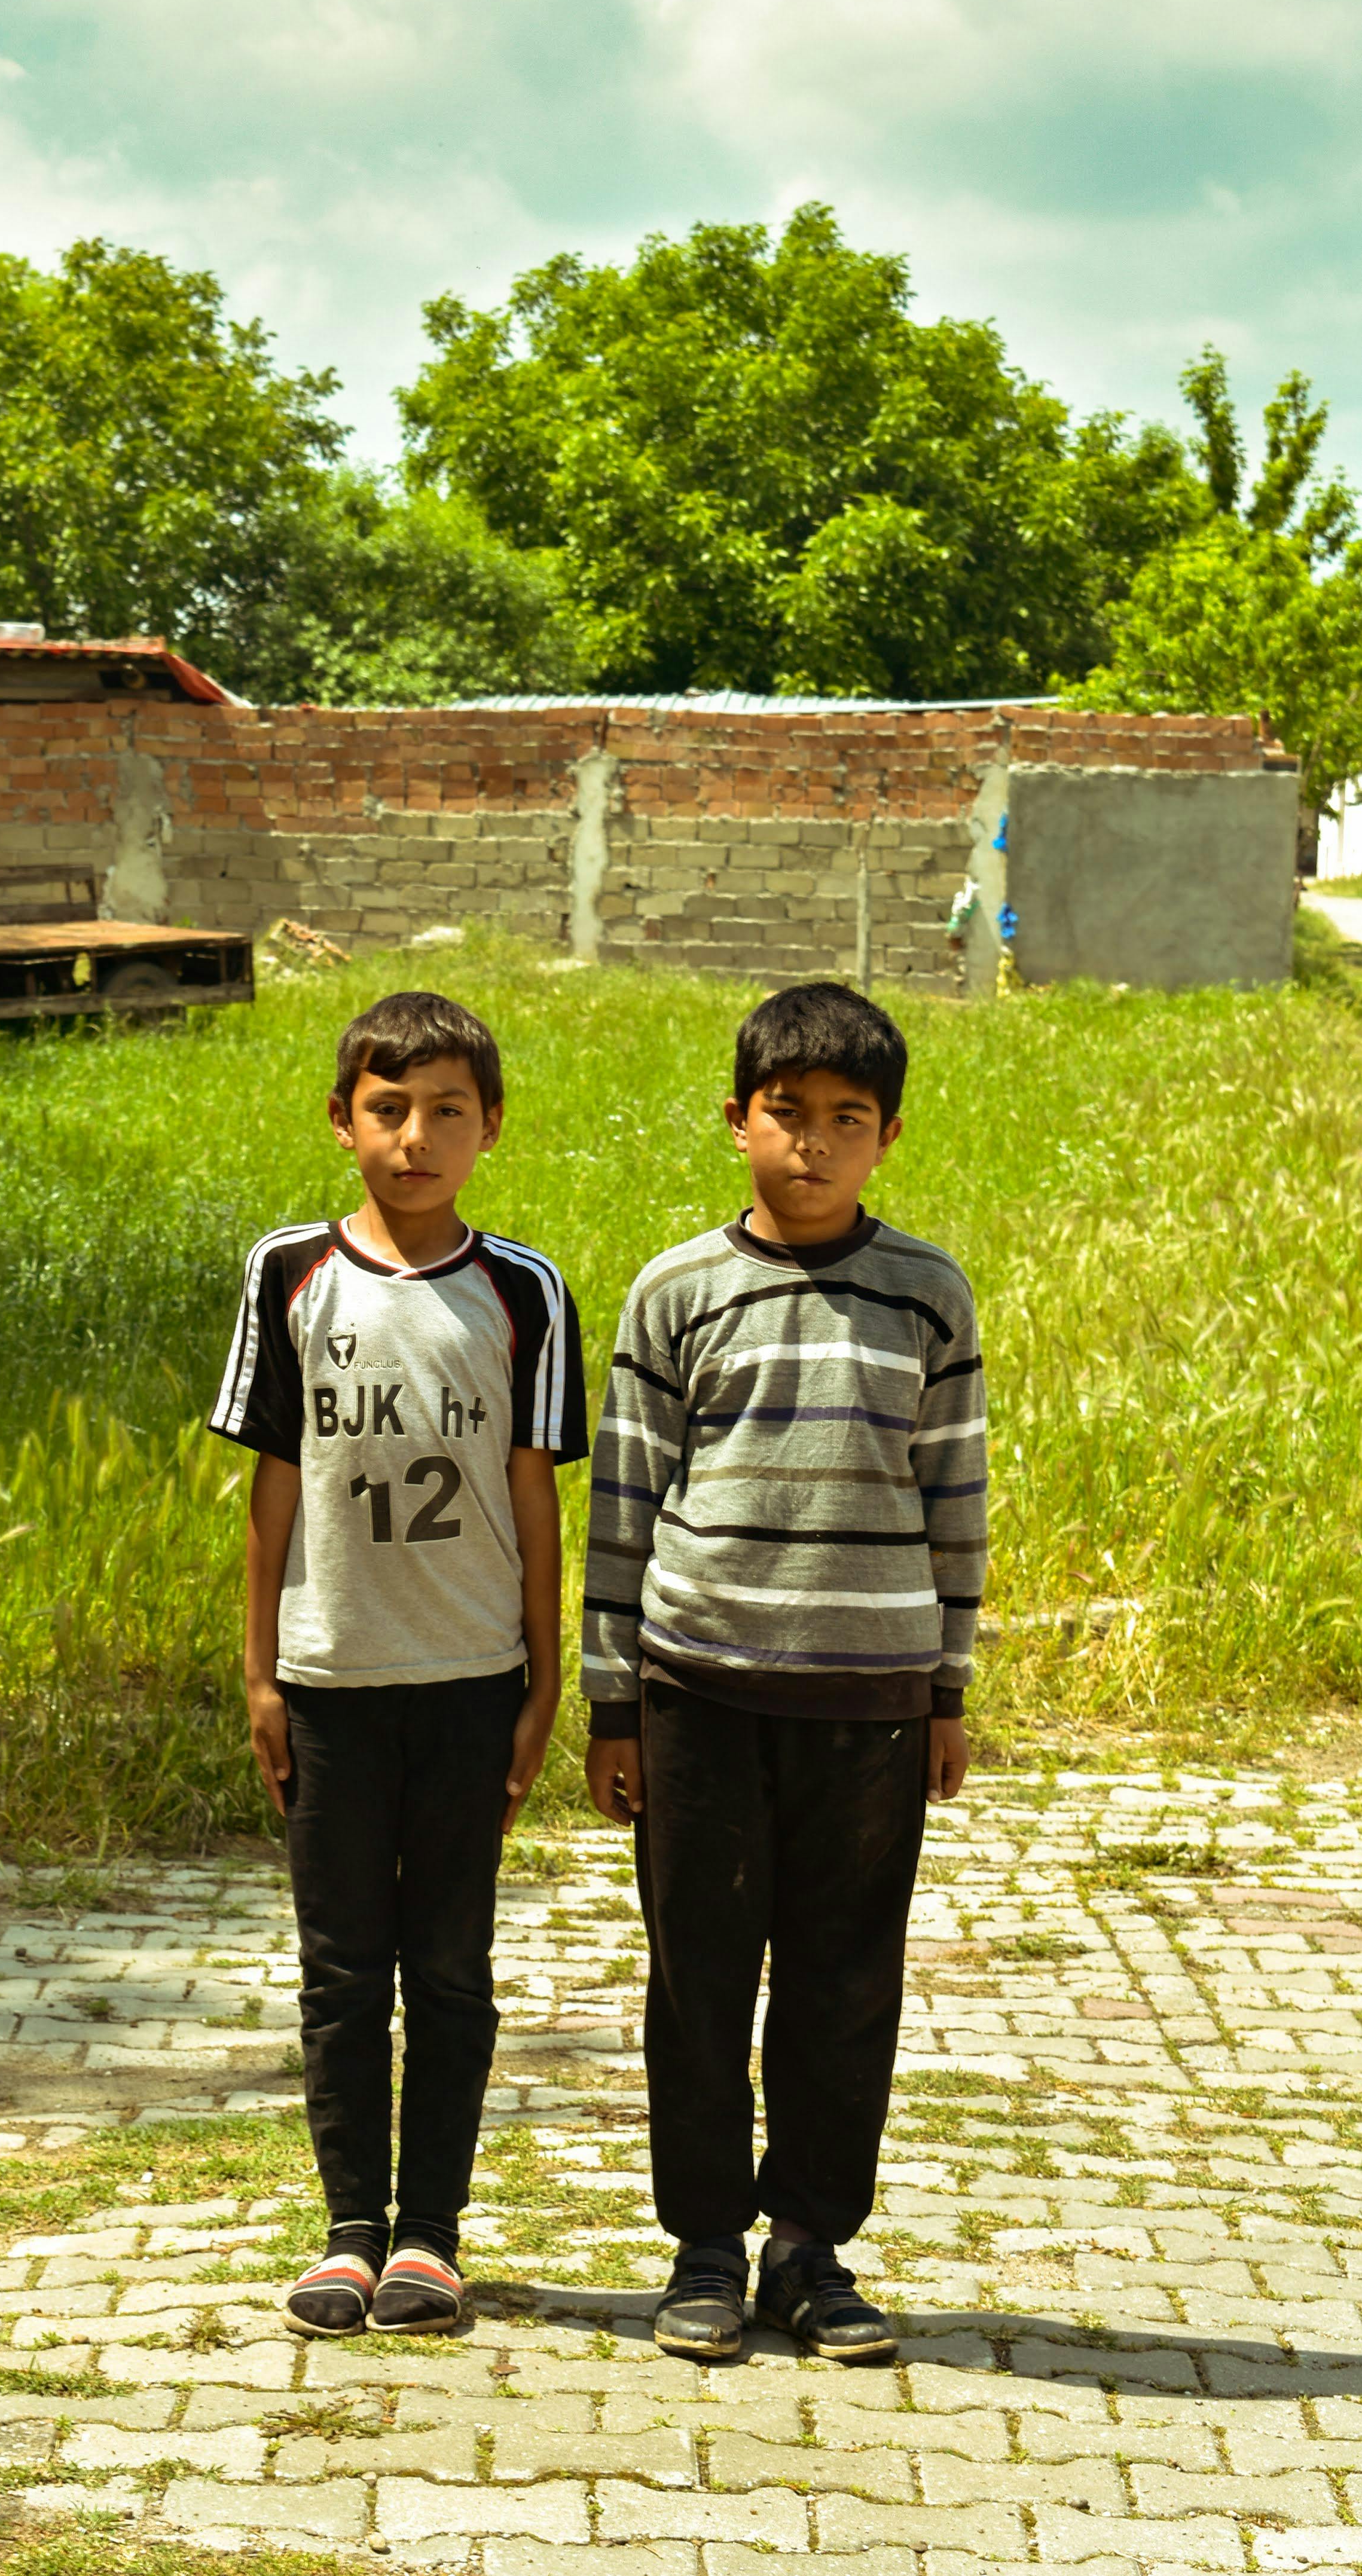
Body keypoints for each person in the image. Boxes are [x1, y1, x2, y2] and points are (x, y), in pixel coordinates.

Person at [584, 980, 984, 2366]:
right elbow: (624, 1502)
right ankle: (700, 2246)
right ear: (737, 1118)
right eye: (786, 1113)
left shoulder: (926, 1293)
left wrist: (946, 1689)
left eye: (846, 1120)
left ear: (886, 1136)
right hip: (699, 1687)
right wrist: (611, 1698)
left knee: (842, 1979)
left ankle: (809, 2247)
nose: (812, 1143)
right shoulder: (675, 1291)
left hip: (869, 1704)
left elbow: (955, 1497)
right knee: (699, 1973)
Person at [211, 989, 587, 2337]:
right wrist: (259, 1672)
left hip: (471, 1681)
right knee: (340, 1969)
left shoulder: (524, 1289)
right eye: (387, 1109)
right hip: (328, 1683)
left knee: (449, 1968)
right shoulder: (287, 1274)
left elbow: (536, 1500)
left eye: (445, 1112)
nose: (414, 1138)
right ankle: (347, 2230)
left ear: (489, 1127)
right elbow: (270, 1485)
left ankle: (432, 2234)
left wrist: (545, 1687)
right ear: (341, 1119)